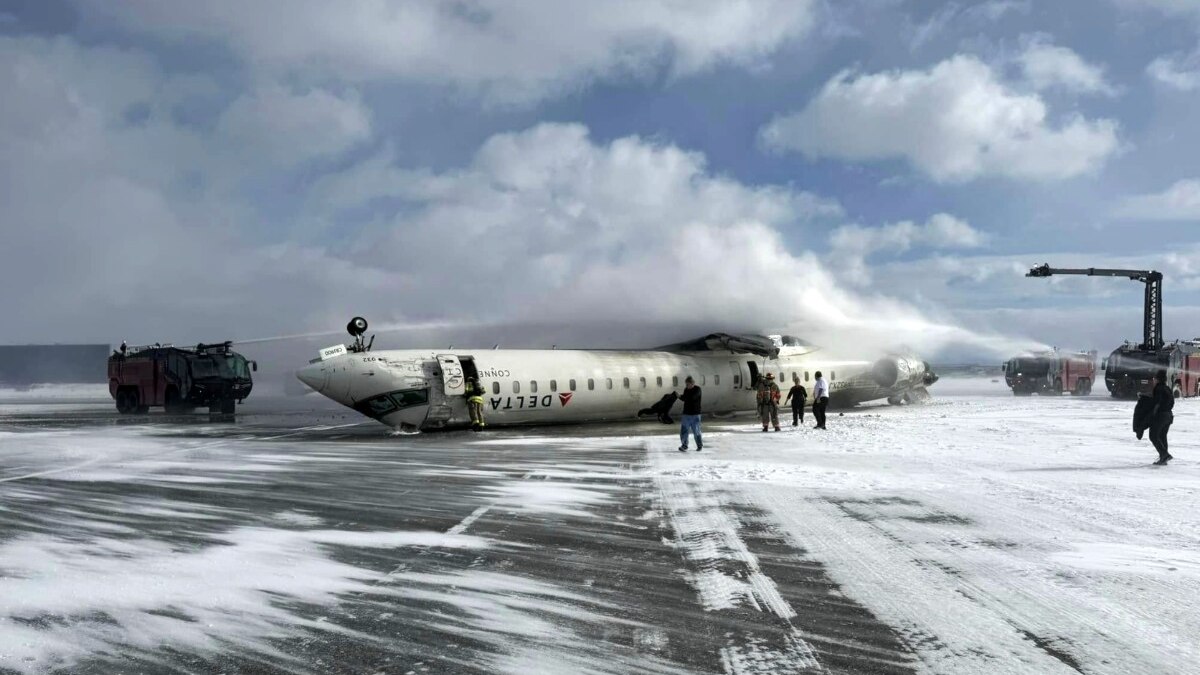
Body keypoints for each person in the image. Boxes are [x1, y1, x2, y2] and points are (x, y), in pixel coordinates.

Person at [1148, 370, 1174, 465]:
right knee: (1162, 436)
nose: (1154, 380)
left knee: (1153, 435)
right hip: (1169, 415)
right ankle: (1164, 458)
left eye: (1155, 378)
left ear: (1158, 379)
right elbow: (1171, 402)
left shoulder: (1158, 388)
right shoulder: (1167, 388)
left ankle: (1164, 455)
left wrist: (1153, 413)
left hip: (1161, 415)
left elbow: (1157, 402)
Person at [678, 376, 702, 452]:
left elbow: (692, 398)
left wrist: (684, 397)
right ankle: (684, 445)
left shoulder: (697, 389)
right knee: (684, 430)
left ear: (692, 384)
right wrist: (679, 396)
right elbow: (685, 398)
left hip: (695, 414)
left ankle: (699, 445)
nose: (686, 386)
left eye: (688, 384)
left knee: (696, 431)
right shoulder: (686, 390)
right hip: (686, 414)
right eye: (686, 384)